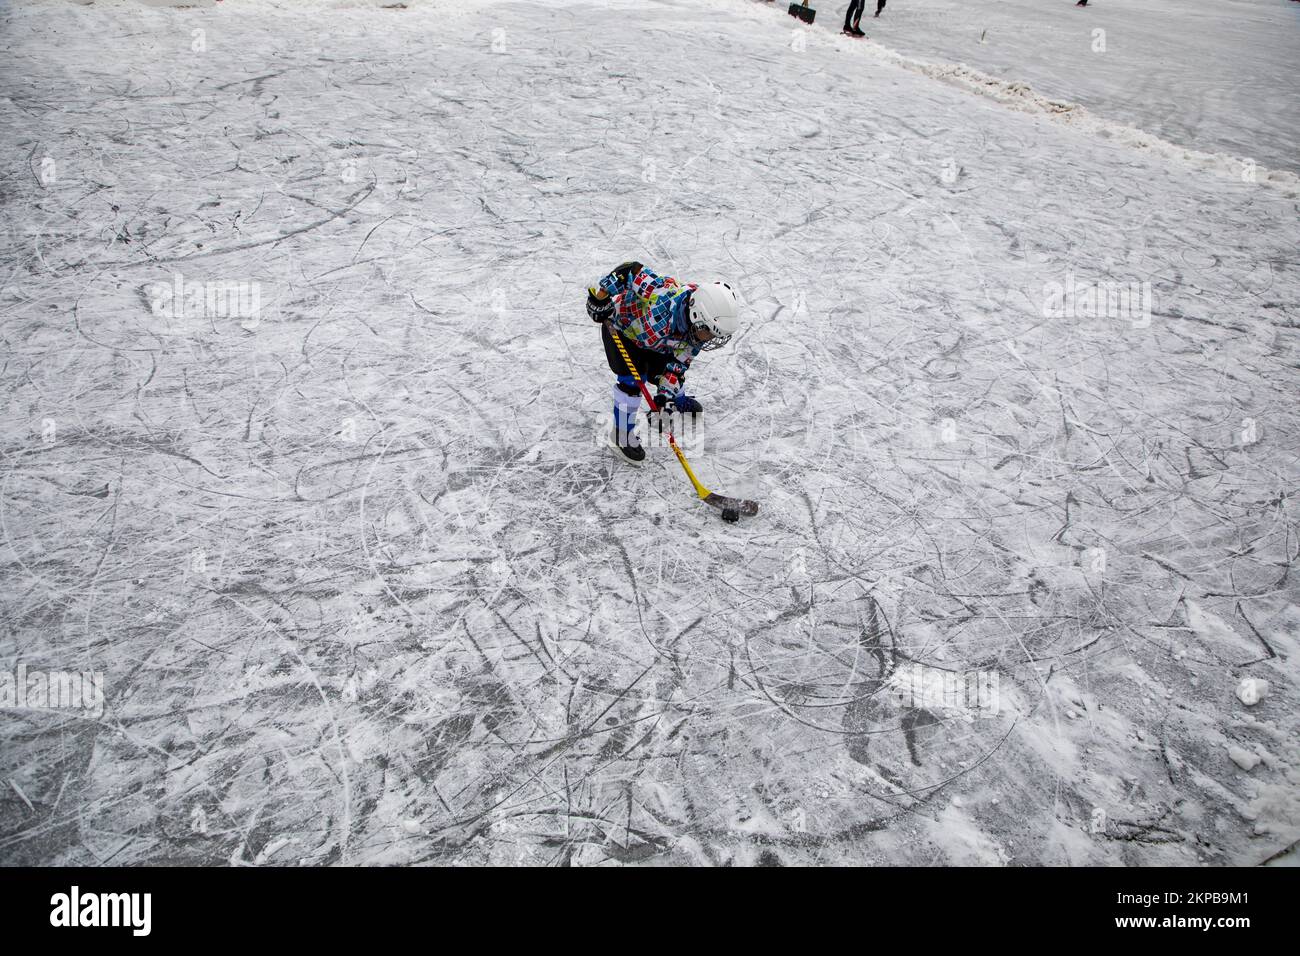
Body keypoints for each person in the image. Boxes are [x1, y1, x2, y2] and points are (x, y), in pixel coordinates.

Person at [585, 262, 740, 464]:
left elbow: (677, 368)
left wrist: (663, 403)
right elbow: (630, 270)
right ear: (696, 315)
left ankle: (677, 400)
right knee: (632, 380)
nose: (708, 339)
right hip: (621, 331)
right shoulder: (661, 294)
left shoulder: (695, 336)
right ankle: (621, 435)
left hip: (657, 343)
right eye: (708, 332)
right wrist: (601, 297)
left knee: (665, 374)